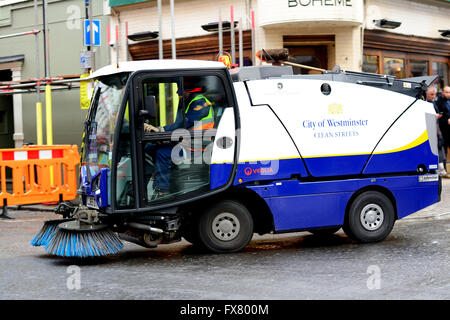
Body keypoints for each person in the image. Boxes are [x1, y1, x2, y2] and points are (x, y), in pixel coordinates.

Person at [143, 78, 214, 196]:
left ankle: (162, 191)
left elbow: (183, 124)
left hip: (197, 147)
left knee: (162, 153)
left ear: (186, 89)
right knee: (149, 149)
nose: (177, 93)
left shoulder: (200, 102)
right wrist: (159, 130)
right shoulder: (189, 102)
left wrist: (160, 130)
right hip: (187, 143)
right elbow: (178, 125)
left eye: (178, 89)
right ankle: (147, 185)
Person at [426, 87, 450, 178]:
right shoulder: (428, 102)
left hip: (437, 128)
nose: (433, 96)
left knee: (440, 149)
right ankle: (441, 170)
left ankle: (442, 170)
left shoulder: (434, 102)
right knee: (438, 149)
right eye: (431, 94)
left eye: (434, 94)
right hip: (435, 129)